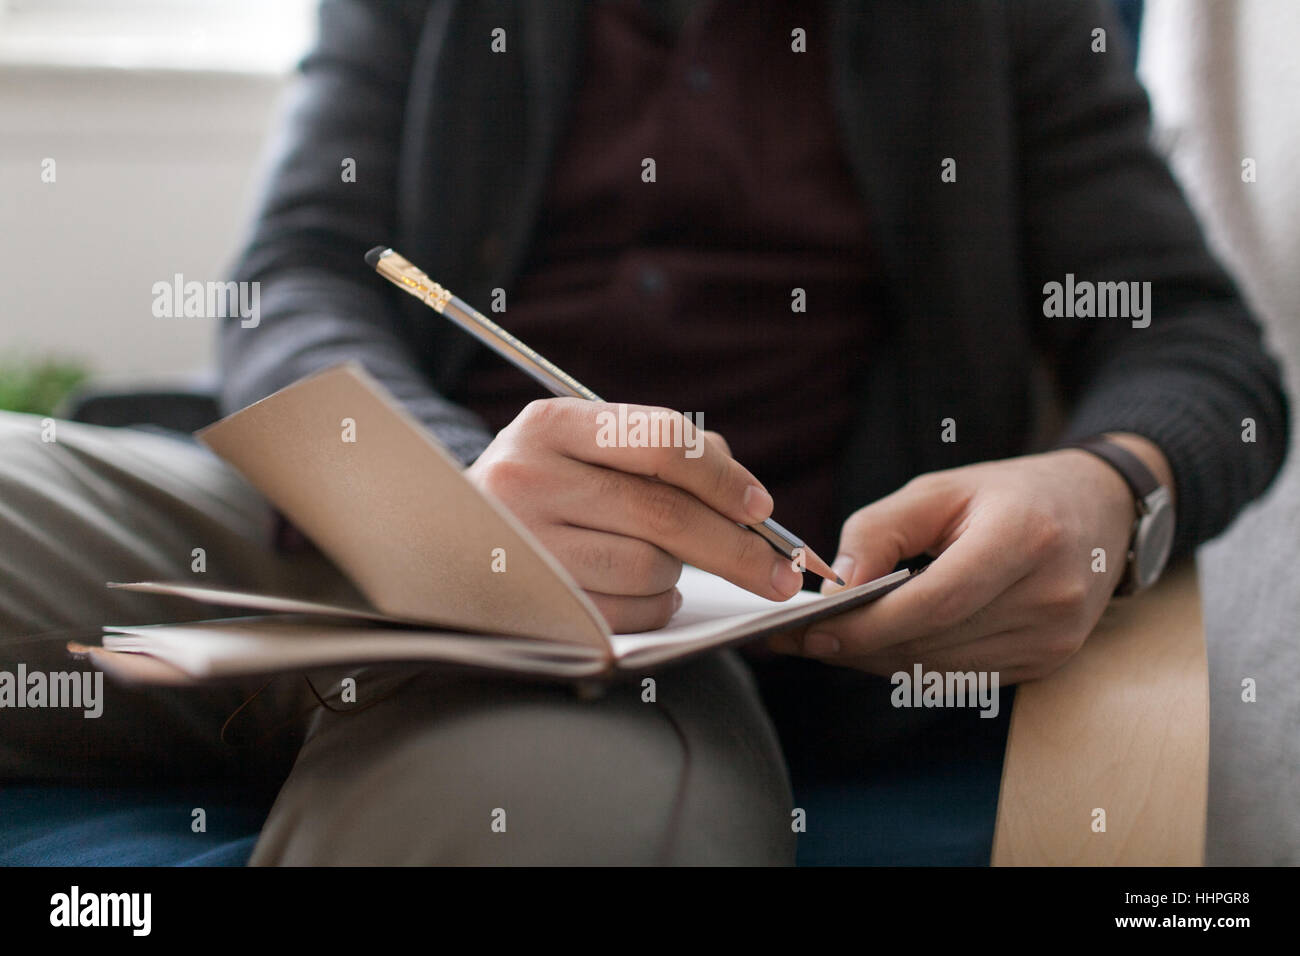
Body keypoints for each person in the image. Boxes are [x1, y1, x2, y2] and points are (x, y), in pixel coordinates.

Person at [0, 0, 1287, 865]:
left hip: (672, 634)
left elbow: (1201, 343)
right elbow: (295, 273)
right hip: (331, 506)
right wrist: (450, 490)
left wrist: (1113, 488)